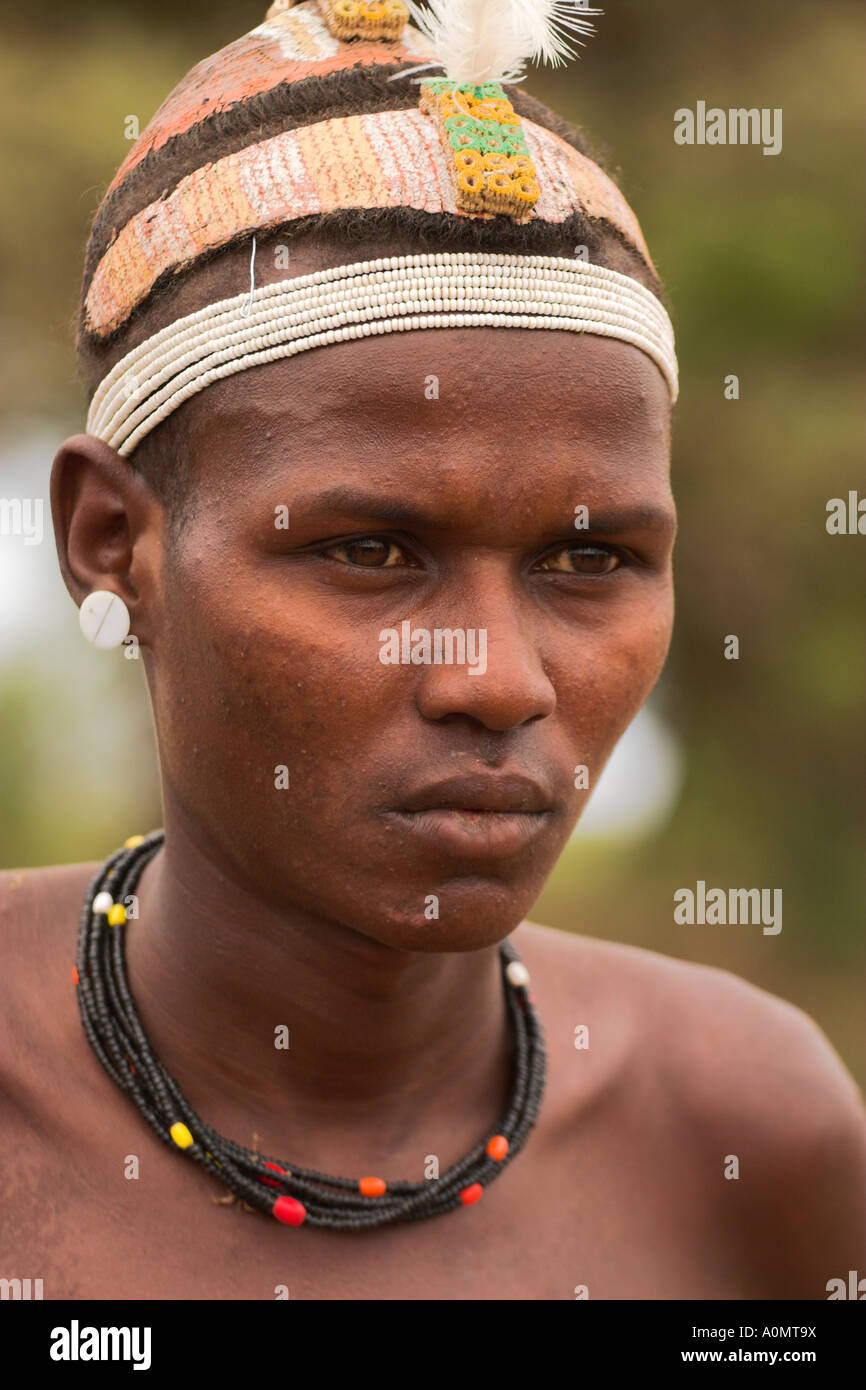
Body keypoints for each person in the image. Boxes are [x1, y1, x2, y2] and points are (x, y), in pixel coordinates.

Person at [1, 0, 863, 1300]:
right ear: (112, 539)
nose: (499, 679)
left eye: (587, 561)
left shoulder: (747, 1130)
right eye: (370, 552)